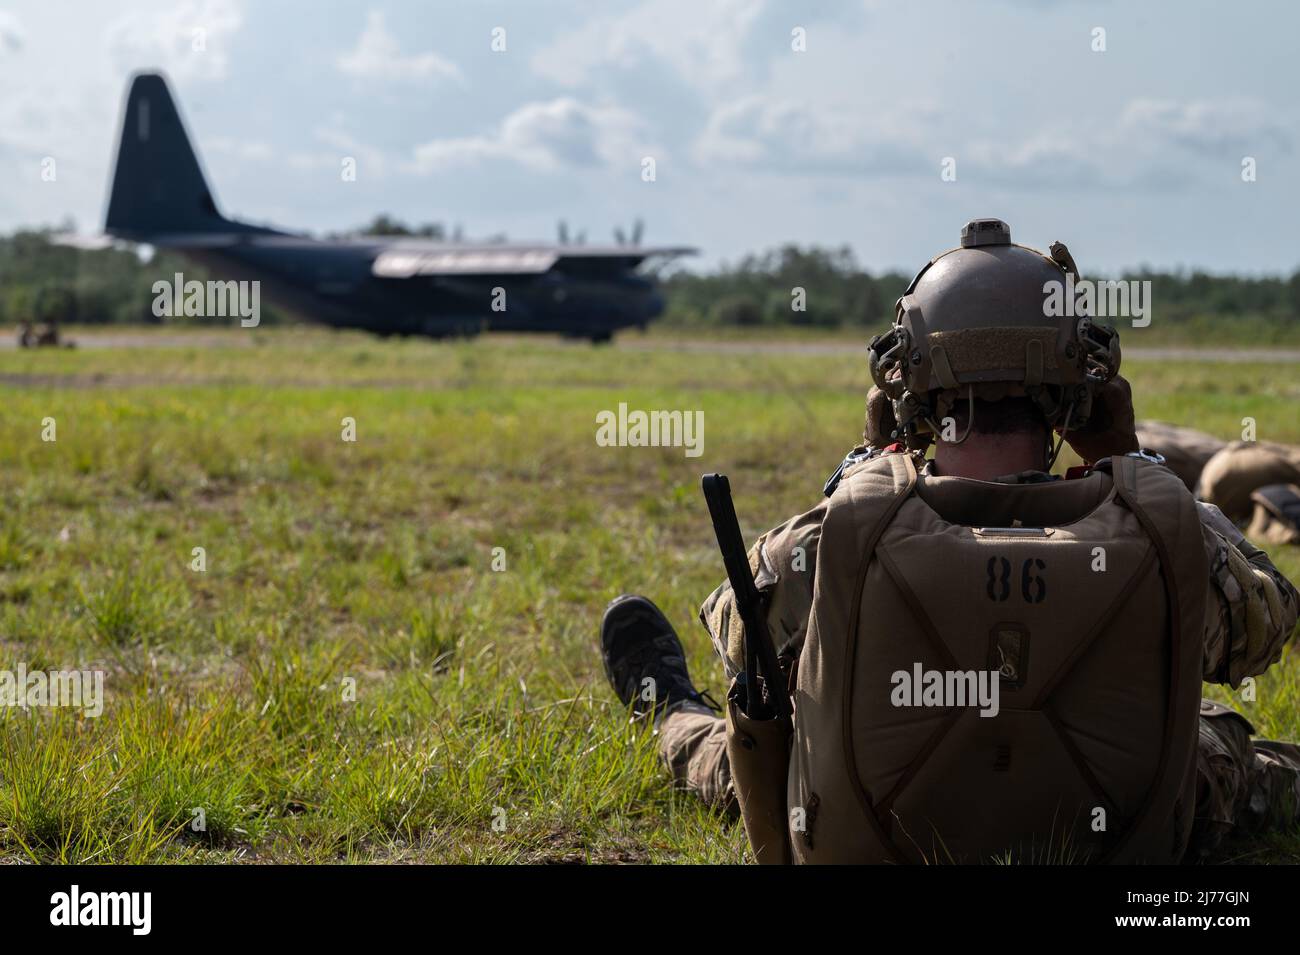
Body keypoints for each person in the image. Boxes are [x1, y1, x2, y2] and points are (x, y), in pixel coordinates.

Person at [601, 219, 1300, 863]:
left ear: (908, 387)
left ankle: (668, 708)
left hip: (868, 831)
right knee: (1218, 736)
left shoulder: (845, 530)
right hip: (1120, 834)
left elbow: (735, 630)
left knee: (757, 746)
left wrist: (867, 473)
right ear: (1080, 386)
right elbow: (1263, 628)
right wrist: (1136, 463)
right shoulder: (1159, 532)